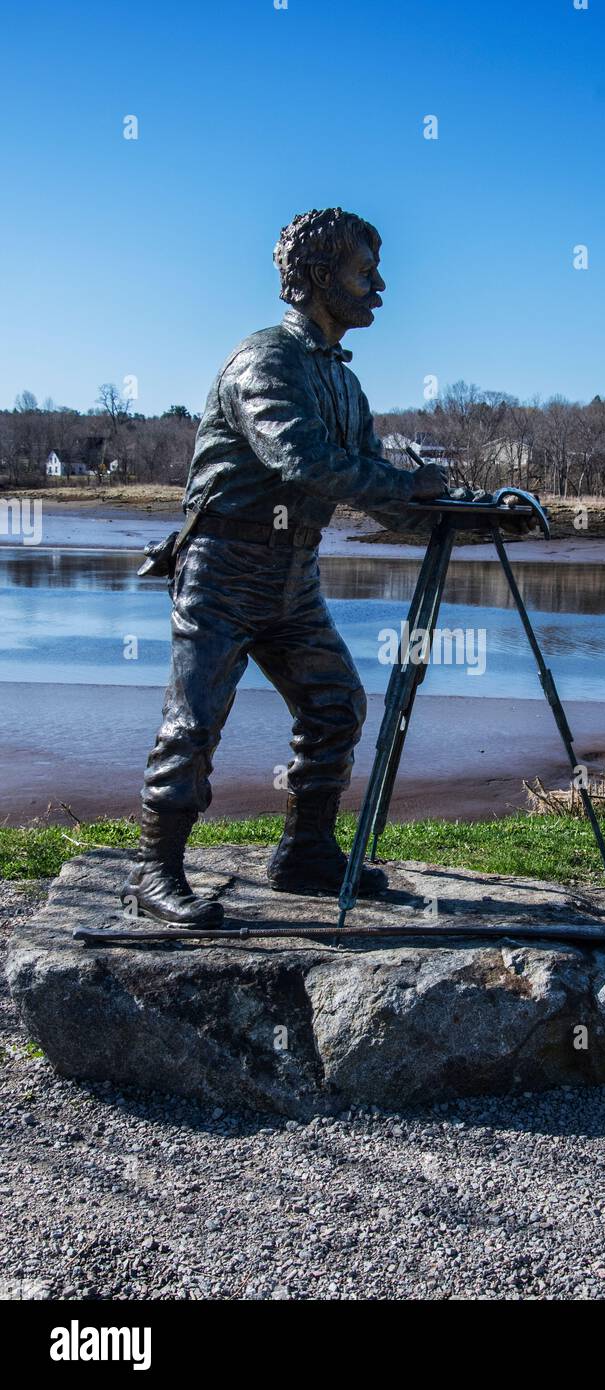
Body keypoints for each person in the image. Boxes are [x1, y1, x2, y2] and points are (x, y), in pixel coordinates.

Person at [123, 209, 448, 927]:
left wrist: (462, 516)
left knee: (335, 705)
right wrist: (402, 488)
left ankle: (304, 853)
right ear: (314, 277)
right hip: (222, 568)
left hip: (293, 574)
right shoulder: (264, 360)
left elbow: (365, 479)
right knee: (194, 722)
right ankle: (154, 873)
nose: (380, 287)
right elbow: (299, 460)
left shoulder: (342, 382)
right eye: (365, 273)